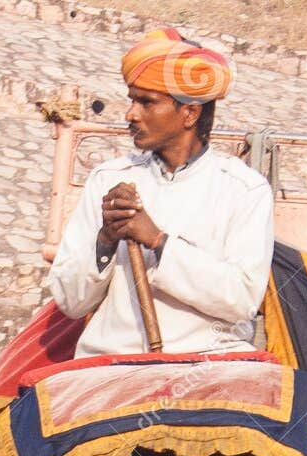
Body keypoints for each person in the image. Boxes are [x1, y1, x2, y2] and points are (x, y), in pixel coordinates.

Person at [48, 27, 274, 357]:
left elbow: (241, 300)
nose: (131, 114)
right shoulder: (107, 179)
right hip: (111, 365)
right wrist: (105, 240)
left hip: (210, 365)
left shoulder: (244, 189)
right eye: (132, 100)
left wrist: (158, 241)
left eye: (147, 102)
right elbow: (70, 301)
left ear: (189, 113)